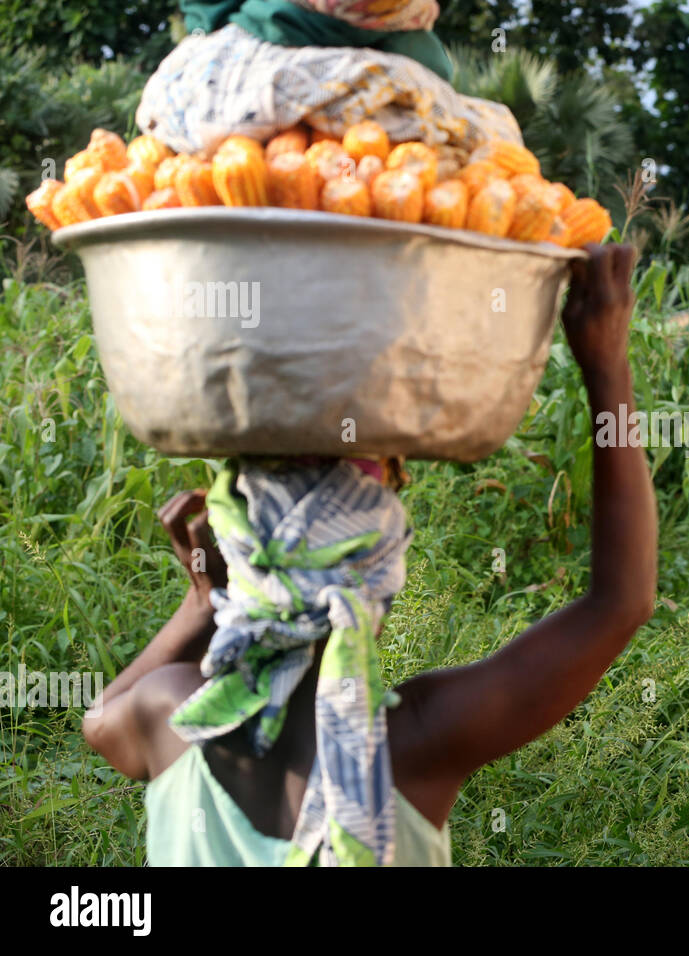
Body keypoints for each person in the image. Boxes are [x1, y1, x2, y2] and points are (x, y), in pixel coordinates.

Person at [82, 243, 657, 866]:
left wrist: (203, 604)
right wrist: (606, 367)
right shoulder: (418, 741)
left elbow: (101, 718)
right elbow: (620, 602)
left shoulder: (169, 717)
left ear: (241, 557)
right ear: (378, 573)